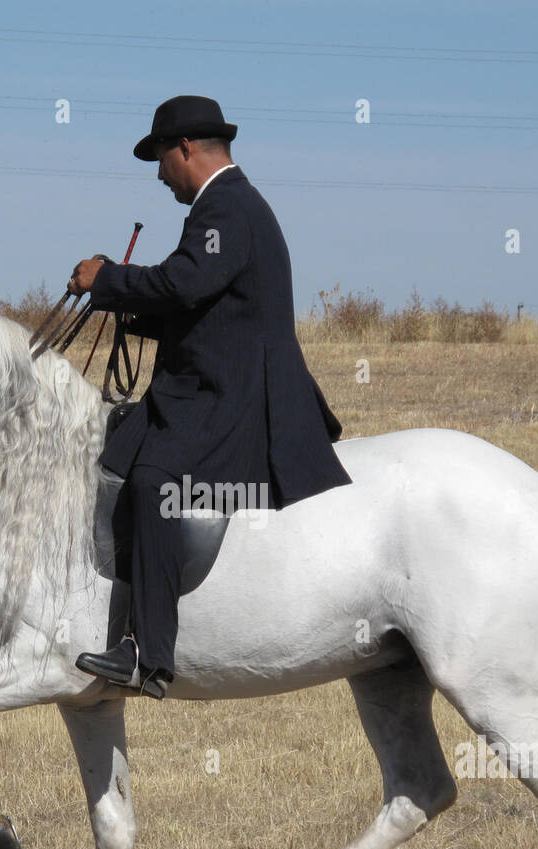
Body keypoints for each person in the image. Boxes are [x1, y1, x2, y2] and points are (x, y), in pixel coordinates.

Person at [72, 95, 351, 699]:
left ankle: (148, 654)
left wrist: (110, 281)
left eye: (160, 158)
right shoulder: (225, 206)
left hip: (236, 393)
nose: (158, 173)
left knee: (155, 482)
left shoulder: (224, 207)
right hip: (212, 381)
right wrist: (121, 303)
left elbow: (185, 281)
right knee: (120, 451)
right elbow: (200, 307)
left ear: (186, 149)